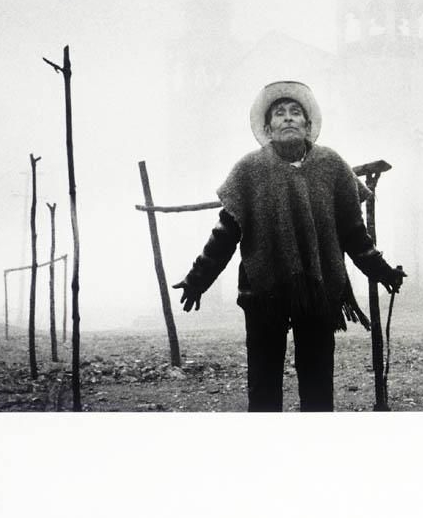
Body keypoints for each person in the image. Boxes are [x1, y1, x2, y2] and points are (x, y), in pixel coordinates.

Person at [172, 80, 405, 412]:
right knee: (264, 386)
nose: (288, 118)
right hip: (263, 292)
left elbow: (353, 233)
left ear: (308, 126)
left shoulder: (332, 166)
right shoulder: (249, 170)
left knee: (317, 384)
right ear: (267, 128)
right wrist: (198, 279)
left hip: (320, 290)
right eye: (279, 114)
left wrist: (381, 270)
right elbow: (225, 233)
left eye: (296, 113)